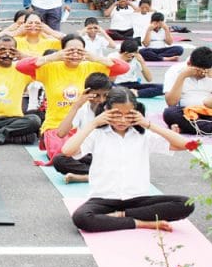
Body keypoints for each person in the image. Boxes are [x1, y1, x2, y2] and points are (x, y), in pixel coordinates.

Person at [63, 87, 194, 232]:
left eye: (128, 115)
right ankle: (142, 223)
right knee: (81, 218)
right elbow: (67, 151)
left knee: (186, 203)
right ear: (106, 110)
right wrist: (94, 123)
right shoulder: (97, 134)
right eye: (117, 114)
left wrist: (148, 124)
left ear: (136, 112)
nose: (122, 120)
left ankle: (120, 216)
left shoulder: (143, 135)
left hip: (137, 200)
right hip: (103, 200)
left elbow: (186, 145)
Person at [16, 34, 129, 146]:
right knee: (64, 154)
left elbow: (124, 68)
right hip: (56, 127)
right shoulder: (51, 67)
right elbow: (20, 66)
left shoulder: (92, 66)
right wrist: (53, 57)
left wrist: (96, 58)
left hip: (85, 127)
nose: (75, 54)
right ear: (62, 51)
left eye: (79, 51)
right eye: (70, 51)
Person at [50, 72, 112, 183]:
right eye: (96, 95)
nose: (101, 100)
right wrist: (76, 105)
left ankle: (89, 176)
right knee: (59, 160)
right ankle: (98, 175)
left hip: (108, 155)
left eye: (105, 95)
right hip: (87, 155)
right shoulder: (82, 109)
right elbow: (61, 133)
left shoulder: (112, 109)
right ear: (87, 93)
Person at [163, 46, 212, 136]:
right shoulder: (174, 71)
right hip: (186, 112)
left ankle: (186, 128)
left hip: (210, 112)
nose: (201, 75)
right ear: (189, 63)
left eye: (204, 72)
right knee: (169, 113)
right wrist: (182, 76)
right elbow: (171, 103)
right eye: (198, 71)